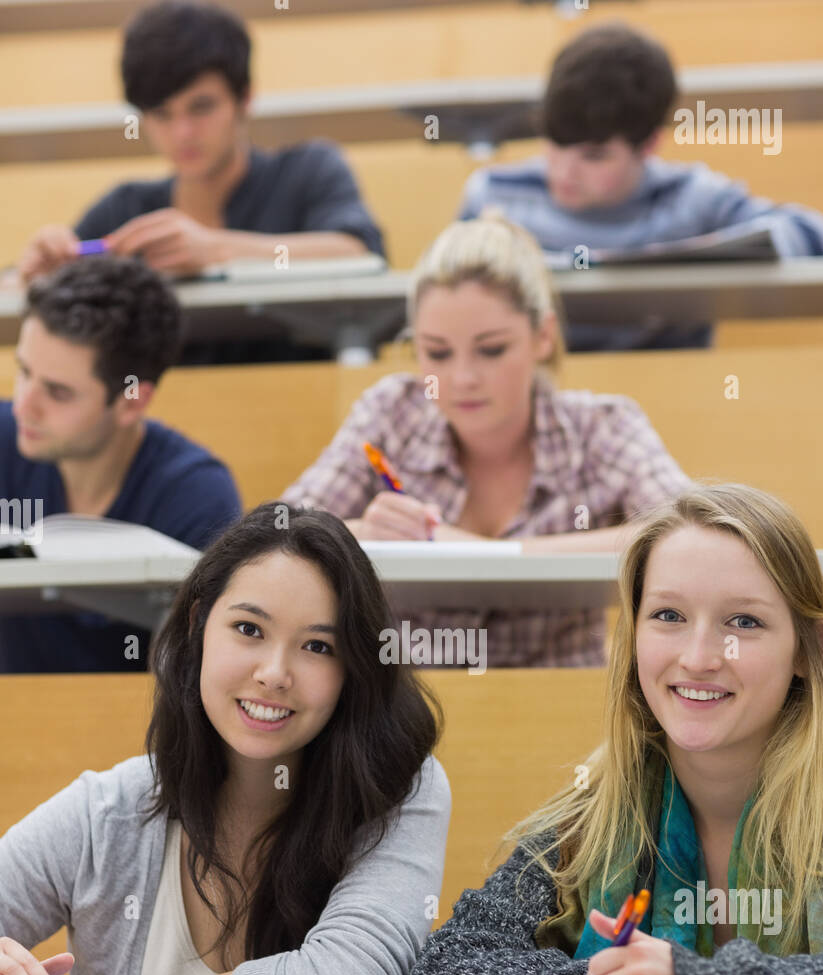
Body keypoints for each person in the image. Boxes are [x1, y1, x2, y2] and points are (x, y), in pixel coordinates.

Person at [404, 483, 823, 975]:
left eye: (742, 621)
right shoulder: (595, 812)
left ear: (809, 649)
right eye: (668, 616)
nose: (699, 656)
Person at [0, 503, 471, 975]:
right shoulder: (111, 811)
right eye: (248, 629)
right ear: (198, 626)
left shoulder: (400, 792)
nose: (275, 672)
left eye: (318, 646)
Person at [281, 212, 691, 667]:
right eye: (437, 352)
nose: (462, 378)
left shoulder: (603, 427)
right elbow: (277, 535)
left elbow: (694, 535)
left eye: (492, 349)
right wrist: (355, 536)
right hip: (405, 714)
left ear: (542, 337)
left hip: (567, 708)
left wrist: (493, 555)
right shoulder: (390, 411)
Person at [16, 1, 385, 362]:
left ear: (245, 99)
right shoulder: (126, 207)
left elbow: (359, 253)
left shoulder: (308, 171)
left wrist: (216, 251)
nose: (183, 133)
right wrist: (40, 277)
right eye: (161, 114)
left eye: (201, 107)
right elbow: (20, 284)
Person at [457, 24, 823, 351]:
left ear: (649, 145)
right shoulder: (495, 195)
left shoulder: (692, 199)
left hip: (673, 400)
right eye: (555, 143)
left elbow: (816, 237)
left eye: (595, 156)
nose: (563, 171)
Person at [0, 255, 241, 673]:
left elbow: (195, 681)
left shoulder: (195, 496)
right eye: (24, 372)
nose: (25, 405)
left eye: (57, 392)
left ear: (133, 400)